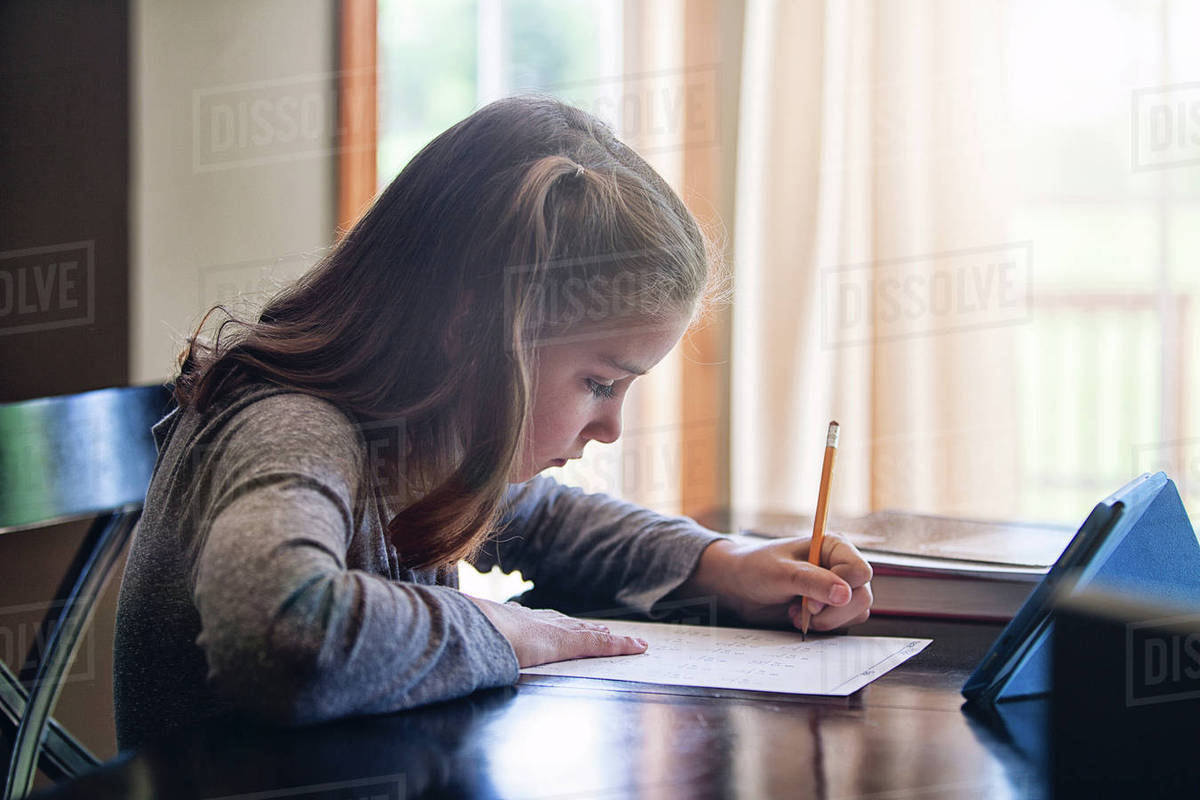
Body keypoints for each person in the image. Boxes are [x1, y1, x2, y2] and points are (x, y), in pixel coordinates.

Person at [112, 94, 873, 752]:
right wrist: (506, 631)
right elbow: (280, 636)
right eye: (599, 382)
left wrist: (721, 568)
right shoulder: (291, 428)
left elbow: (543, 518)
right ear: (474, 329)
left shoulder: (414, 440)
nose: (611, 428)